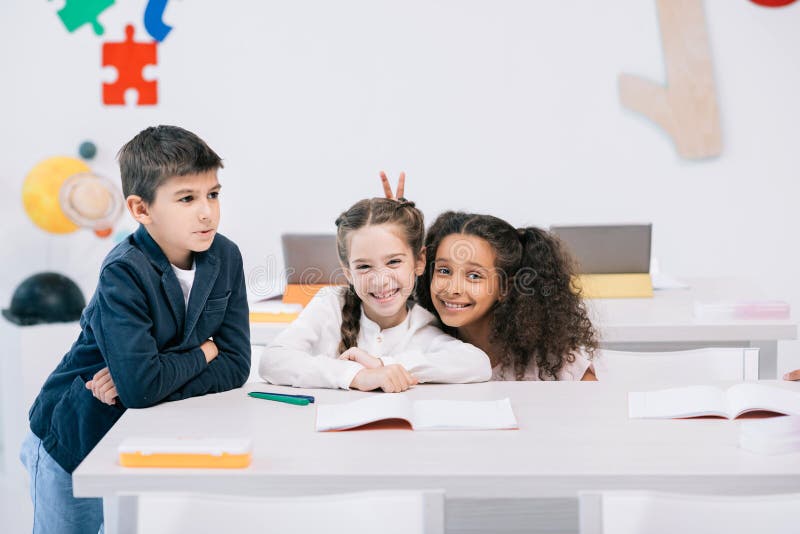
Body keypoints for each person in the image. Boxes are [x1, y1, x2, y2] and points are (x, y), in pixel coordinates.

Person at [20, 125, 251, 533]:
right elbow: (143, 387)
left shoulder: (225, 256)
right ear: (141, 210)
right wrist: (204, 352)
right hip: (72, 435)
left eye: (213, 194)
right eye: (187, 198)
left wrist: (149, 379)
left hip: (135, 433)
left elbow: (236, 365)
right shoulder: (124, 270)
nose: (207, 212)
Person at [259, 196, 491, 392]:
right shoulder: (330, 304)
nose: (380, 280)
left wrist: (383, 364)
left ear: (419, 261)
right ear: (348, 272)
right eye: (364, 266)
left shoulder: (421, 326)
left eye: (393, 262)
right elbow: (273, 360)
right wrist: (356, 375)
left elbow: (477, 364)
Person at [380, 173, 597, 381]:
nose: (453, 289)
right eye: (444, 271)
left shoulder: (554, 364)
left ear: (504, 287)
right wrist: (391, 240)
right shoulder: (419, 339)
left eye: (474, 276)